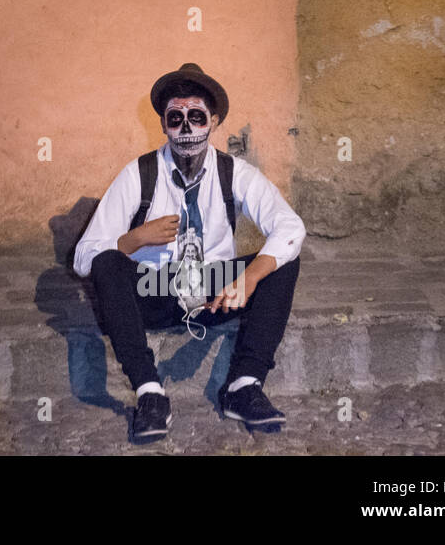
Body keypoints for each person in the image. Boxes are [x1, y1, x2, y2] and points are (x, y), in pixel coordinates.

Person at [73, 63, 305, 440]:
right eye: (175, 118)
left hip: (214, 290)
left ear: (213, 122)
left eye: (195, 117)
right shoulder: (140, 174)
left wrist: (249, 276)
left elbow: (291, 227)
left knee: (282, 263)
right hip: (155, 289)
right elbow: (85, 257)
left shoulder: (234, 173)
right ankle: (149, 392)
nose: (185, 130)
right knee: (107, 261)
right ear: (163, 125)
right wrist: (134, 239)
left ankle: (244, 385)